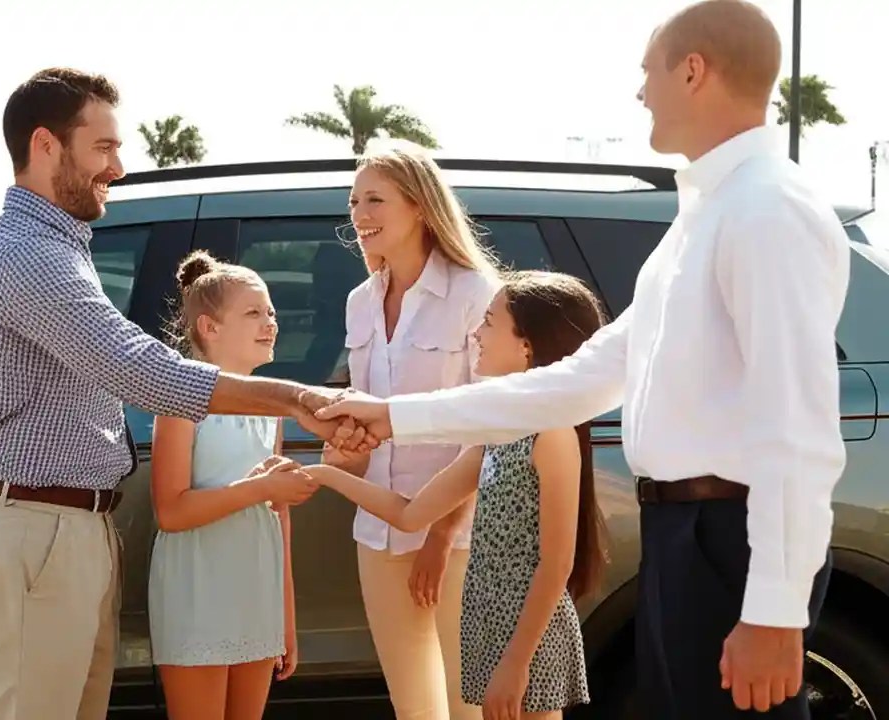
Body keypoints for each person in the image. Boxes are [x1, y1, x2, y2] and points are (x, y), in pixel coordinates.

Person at [315, 2, 850, 718]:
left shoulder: (767, 211)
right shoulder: (706, 218)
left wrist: (778, 610)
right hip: (683, 538)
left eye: (647, 72)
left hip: (728, 538)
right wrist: (388, 415)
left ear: (693, 71)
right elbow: (570, 385)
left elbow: (799, 428)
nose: (639, 93)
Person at [0, 67, 369, 720]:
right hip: (38, 530)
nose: (117, 167)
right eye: (104, 148)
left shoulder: (60, 247)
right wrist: (292, 398)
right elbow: (137, 367)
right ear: (45, 146)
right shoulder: (30, 256)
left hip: (69, 529)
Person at [307, 271, 608, 720]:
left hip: (529, 636)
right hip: (490, 627)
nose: (476, 333)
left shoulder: (553, 434)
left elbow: (556, 562)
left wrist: (516, 662)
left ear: (527, 346)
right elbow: (411, 515)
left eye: (489, 322)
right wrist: (323, 475)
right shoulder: (497, 431)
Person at [324, 138, 500, 720]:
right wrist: (343, 443)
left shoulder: (476, 294)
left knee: (466, 708)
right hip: (377, 536)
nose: (359, 215)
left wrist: (440, 536)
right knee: (415, 711)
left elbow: (489, 427)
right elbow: (370, 419)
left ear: (420, 206)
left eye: (374, 199)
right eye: (353, 202)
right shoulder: (358, 301)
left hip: (461, 540)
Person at [148, 250, 312, 720]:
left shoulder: (271, 407)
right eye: (254, 312)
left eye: (272, 312)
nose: (271, 322)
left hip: (255, 594)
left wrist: (286, 620)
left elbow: (279, 520)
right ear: (209, 327)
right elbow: (172, 512)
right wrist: (258, 490)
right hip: (198, 593)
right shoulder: (179, 402)